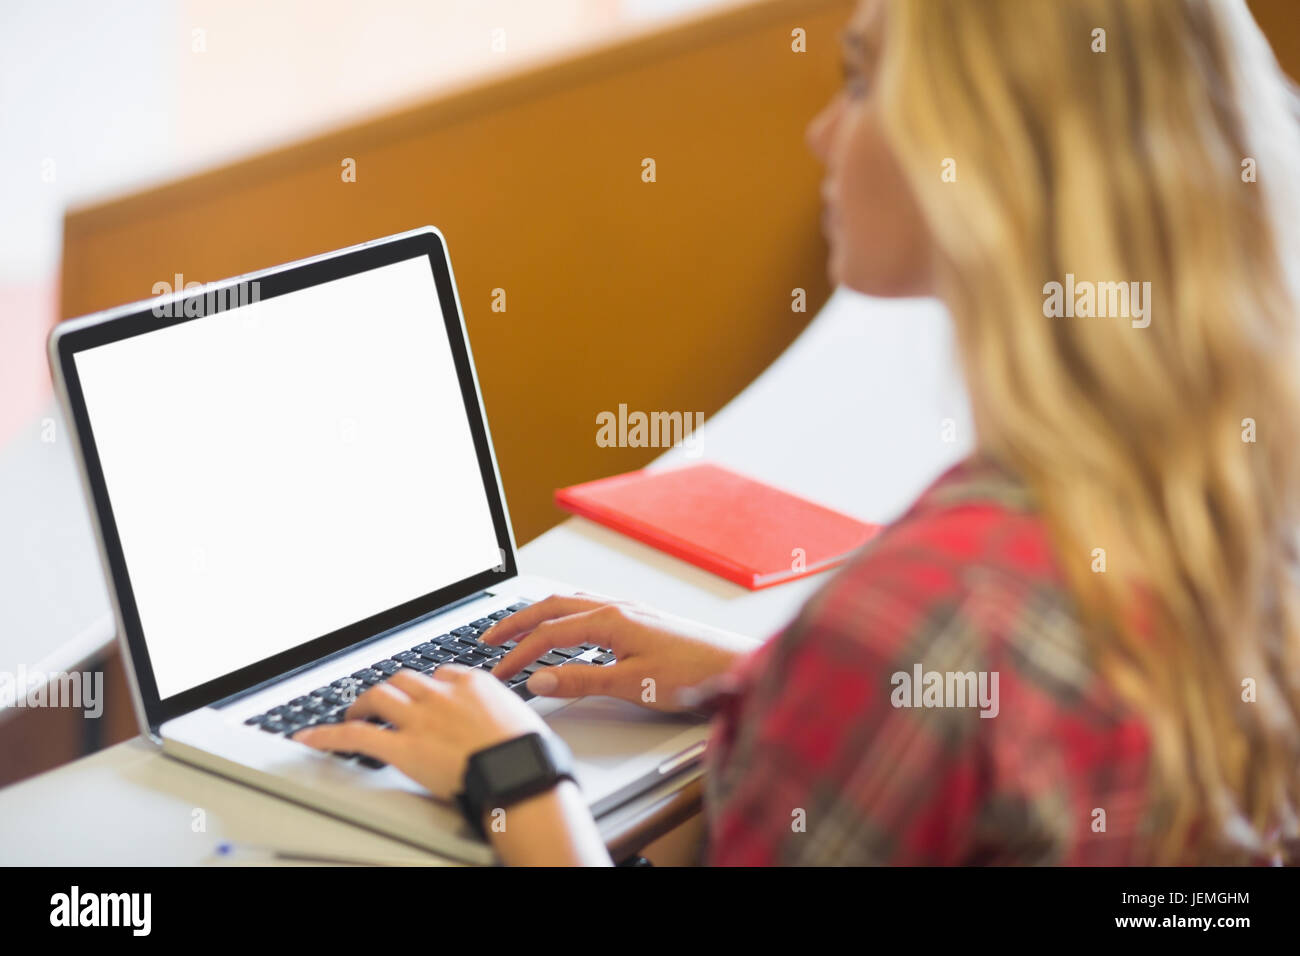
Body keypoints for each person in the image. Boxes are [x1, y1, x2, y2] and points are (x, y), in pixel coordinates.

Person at [295, 0, 1300, 865]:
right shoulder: (1222, 492)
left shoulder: (912, 619)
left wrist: (519, 781)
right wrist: (767, 680)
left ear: (988, 150)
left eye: (860, 82)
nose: (821, 132)